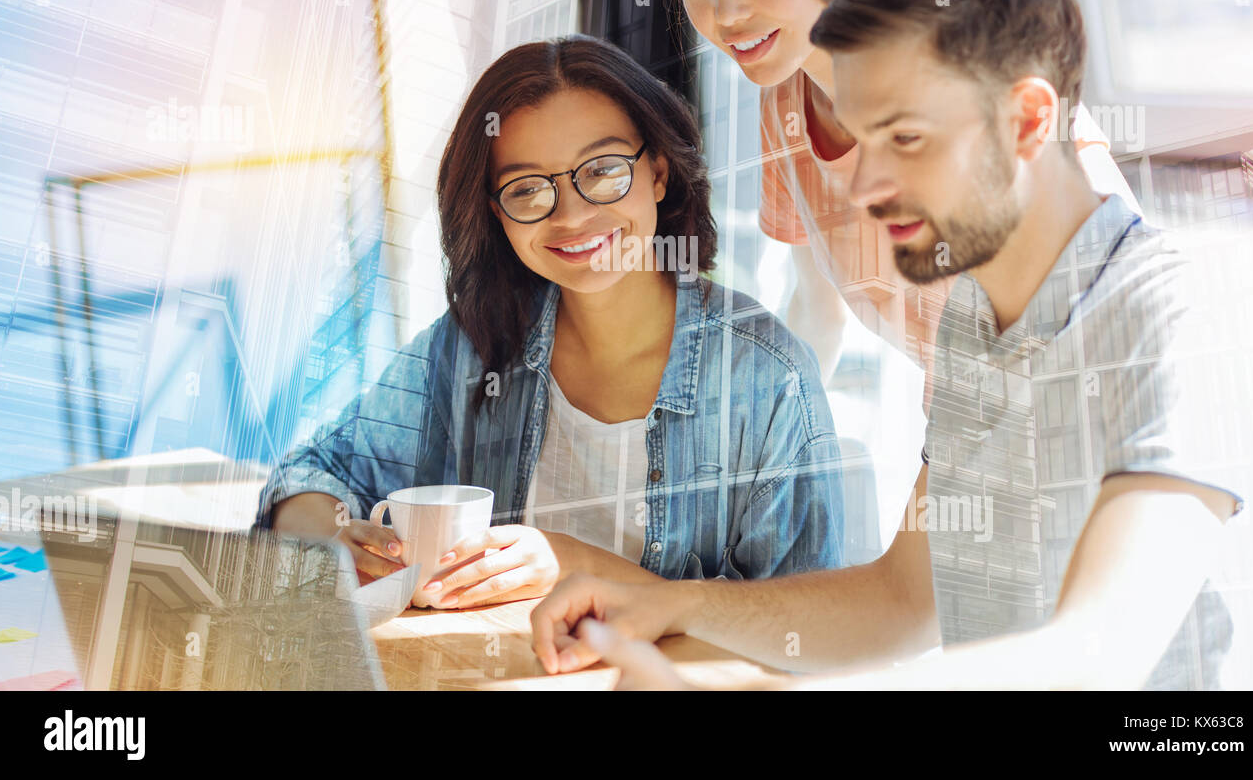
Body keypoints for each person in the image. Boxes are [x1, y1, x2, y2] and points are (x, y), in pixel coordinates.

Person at [529, 0, 1253, 689]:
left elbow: (1095, 650)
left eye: (905, 138)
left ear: (1027, 120)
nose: (863, 187)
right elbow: (900, 601)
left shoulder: (1173, 313)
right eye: (863, 141)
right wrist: (672, 606)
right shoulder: (971, 318)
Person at [257, 35, 848, 610]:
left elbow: (803, 631)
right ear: (496, 212)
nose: (572, 215)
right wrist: (334, 541)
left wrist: (573, 563)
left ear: (659, 172)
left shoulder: (767, 376)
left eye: (603, 170)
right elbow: (309, 473)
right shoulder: (475, 343)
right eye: (527, 189)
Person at [653, 0, 1140, 384]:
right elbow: (818, 311)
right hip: (969, 433)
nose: (726, 11)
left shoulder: (962, 56)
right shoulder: (786, 103)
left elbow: (1107, 289)